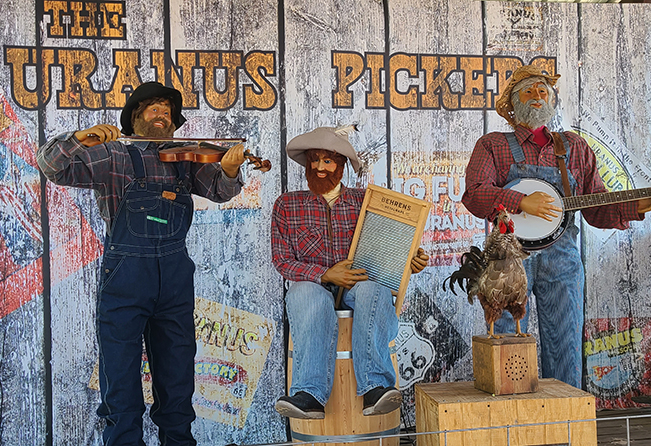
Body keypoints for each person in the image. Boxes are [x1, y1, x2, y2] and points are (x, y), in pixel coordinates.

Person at [37, 81, 246, 445]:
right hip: (126, 281)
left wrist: (229, 171)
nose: (162, 115)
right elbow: (52, 167)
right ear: (136, 117)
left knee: (177, 382)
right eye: (154, 108)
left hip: (175, 282)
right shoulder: (113, 155)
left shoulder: (183, 158)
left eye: (167, 111)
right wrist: (79, 139)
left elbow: (220, 191)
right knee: (120, 385)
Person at [461, 65, 651, 388]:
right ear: (513, 105)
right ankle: (507, 425)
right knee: (504, 346)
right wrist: (520, 201)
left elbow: (596, 206)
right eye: (528, 92)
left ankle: (565, 428)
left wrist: (638, 205)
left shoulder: (574, 148)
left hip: (563, 261)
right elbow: (475, 194)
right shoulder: (492, 145)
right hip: (508, 260)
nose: (537, 96)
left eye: (543, 91)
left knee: (566, 350)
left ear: (552, 101)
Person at [271, 126, 429, 419]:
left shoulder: (364, 201)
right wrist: (326, 274)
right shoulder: (287, 204)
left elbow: (392, 247)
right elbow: (282, 261)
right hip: (313, 286)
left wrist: (410, 260)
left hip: (359, 285)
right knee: (305, 294)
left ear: (341, 165)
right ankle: (309, 395)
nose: (320, 167)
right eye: (314, 160)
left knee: (376, 290)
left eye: (328, 160)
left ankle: (375, 389)